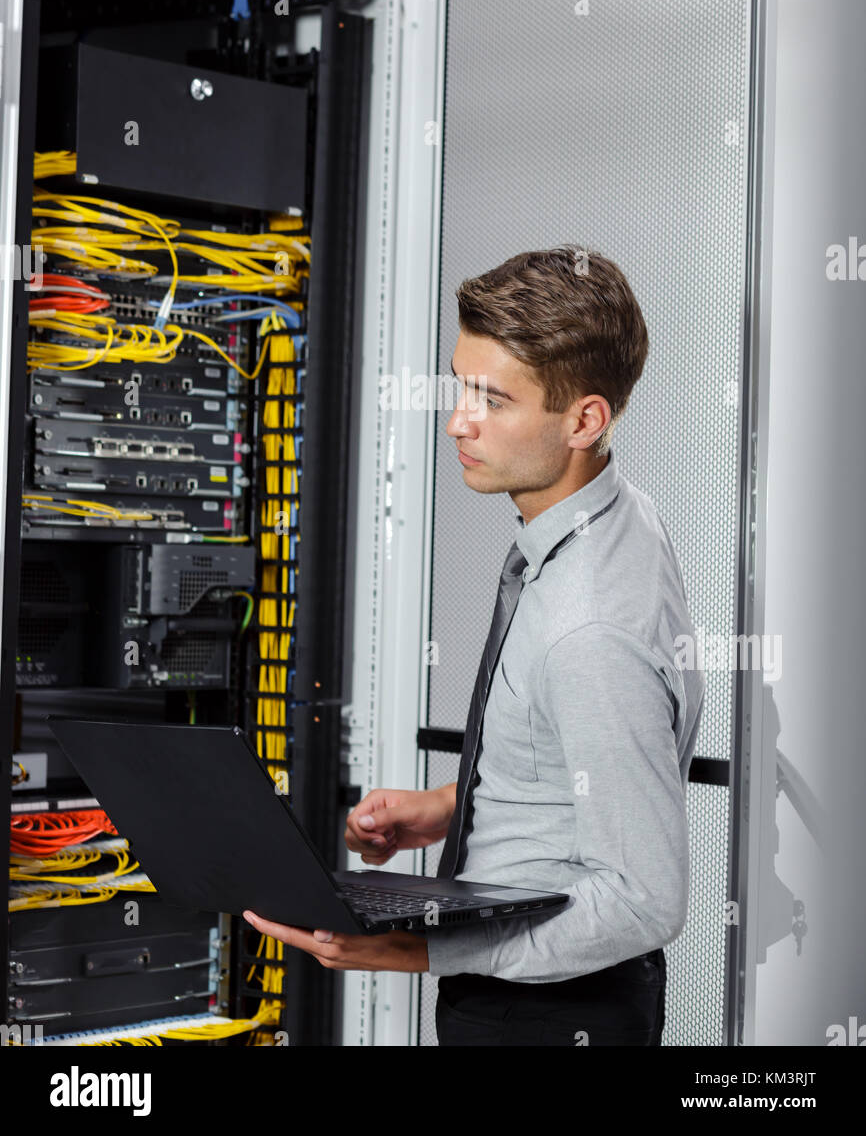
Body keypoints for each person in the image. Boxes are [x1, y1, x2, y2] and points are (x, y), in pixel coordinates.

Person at [244, 245, 705, 1047]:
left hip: (553, 1010)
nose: (458, 419)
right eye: (462, 385)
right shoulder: (610, 514)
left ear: (584, 420)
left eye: (492, 399)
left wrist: (412, 947)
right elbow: (580, 760)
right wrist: (454, 807)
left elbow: (639, 901)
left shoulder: (590, 628)